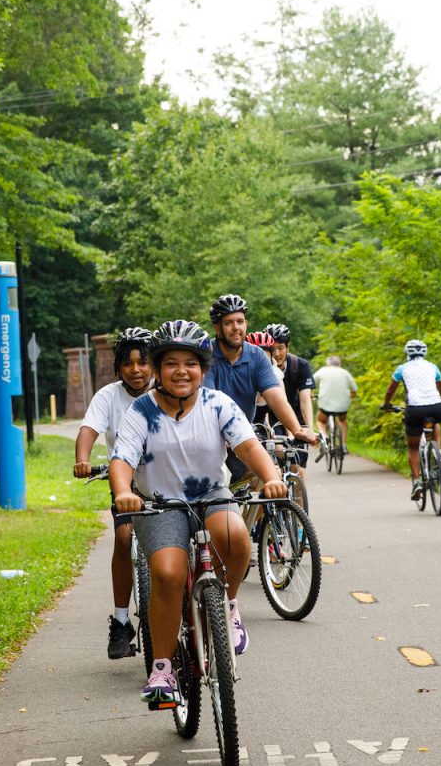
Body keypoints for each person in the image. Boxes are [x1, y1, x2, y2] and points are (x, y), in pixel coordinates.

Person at [109, 320, 288, 705]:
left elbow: (248, 447)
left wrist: (271, 477)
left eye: (190, 363)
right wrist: (124, 491)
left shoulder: (217, 404)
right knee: (169, 573)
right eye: (170, 363)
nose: (180, 371)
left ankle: (231, 604)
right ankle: (162, 669)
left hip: (211, 495)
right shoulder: (141, 411)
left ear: (202, 369)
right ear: (158, 370)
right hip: (159, 504)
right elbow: (122, 458)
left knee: (236, 537)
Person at [73, 326, 154, 660]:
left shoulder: (166, 390)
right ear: (118, 367)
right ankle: (122, 620)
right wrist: (83, 460)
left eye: (143, 363)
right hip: (125, 482)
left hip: (164, 480)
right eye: (128, 364)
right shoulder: (108, 396)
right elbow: (89, 429)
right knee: (124, 539)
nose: (136, 370)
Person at [204, 294, 316, 485]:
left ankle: (259, 515)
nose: (236, 327)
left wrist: (296, 430)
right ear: (217, 327)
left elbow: (275, 396)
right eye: (229, 323)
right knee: (213, 490)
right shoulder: (207, 356)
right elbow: (209, 403)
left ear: (246, 324)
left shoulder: (256, 355)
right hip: (213, 434)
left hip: (243, 433)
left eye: (240, 321)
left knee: (267, 479)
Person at [380, 339, 441, 500]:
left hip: (415, 409)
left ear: (407, 353)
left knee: (413, 448)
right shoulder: (432, 366)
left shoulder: (402, 369)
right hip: (436, 405)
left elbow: (391, 391)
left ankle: (416, 481)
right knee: (436, 421)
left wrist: (387, 404)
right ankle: (439, 452)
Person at [260, 323, 314, 486]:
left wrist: (309, 428)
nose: (277, 353)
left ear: (288, 347)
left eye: (281, 348)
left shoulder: (300, 366)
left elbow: (305, 400)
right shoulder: (262, 368)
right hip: (273, 420)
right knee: (275, 461)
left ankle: (298, 509)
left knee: (296, 467)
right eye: (273, 349)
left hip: (296, 419)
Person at [312, 354, 358, 458]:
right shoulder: (346, 373)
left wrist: (310, 393)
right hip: (342, 405)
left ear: (328, 363)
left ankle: (325, 436)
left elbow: (310, 382)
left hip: (325, 404)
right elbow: (354, 390)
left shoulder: (323, 370)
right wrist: (351, 396)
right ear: (339, 364)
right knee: (342, 421)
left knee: (321, 420)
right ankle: (343, 445)